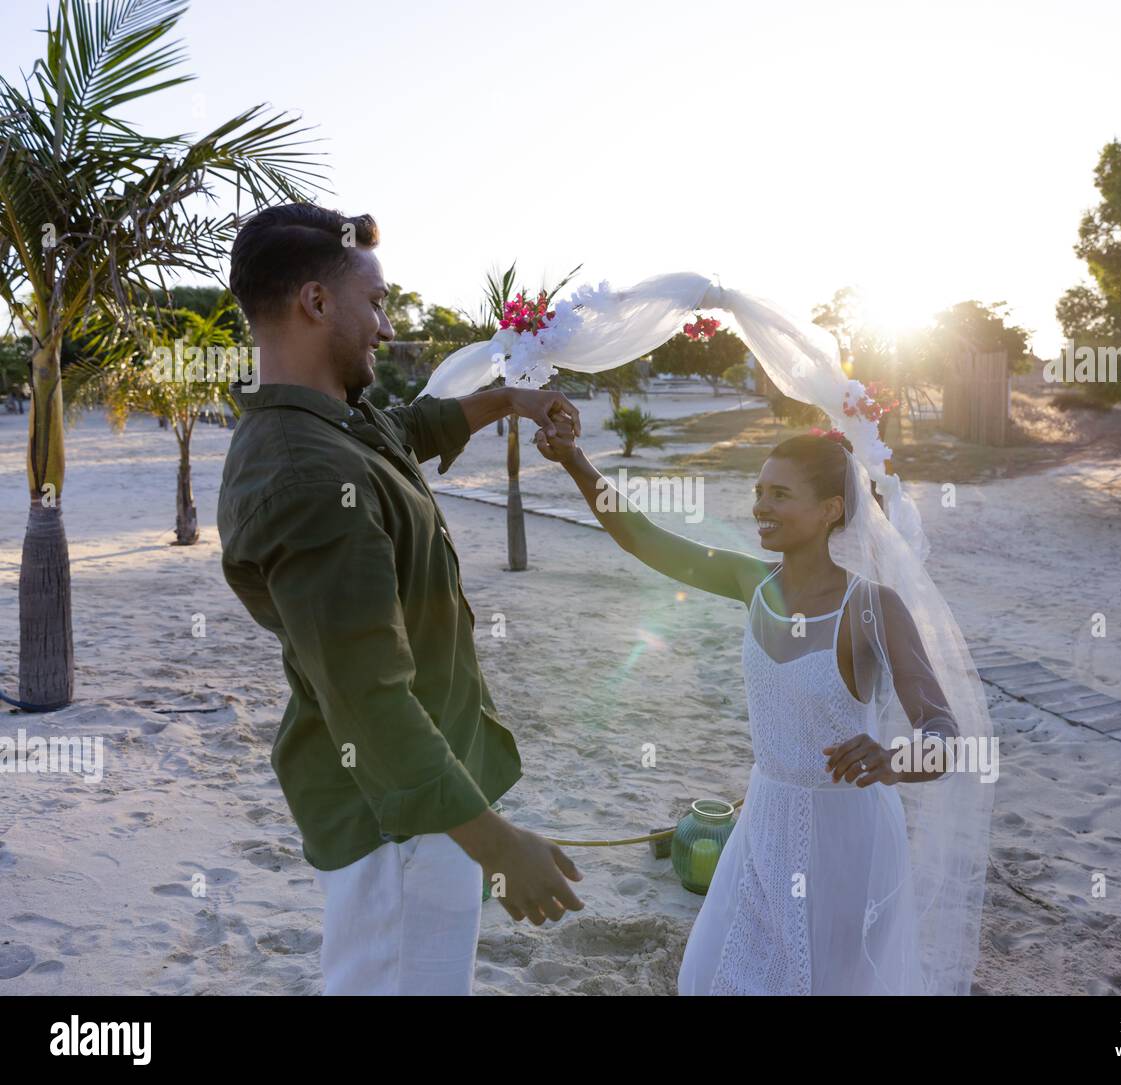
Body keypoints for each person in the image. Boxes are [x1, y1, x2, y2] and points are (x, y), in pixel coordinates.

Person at [217, 203, 585, 995]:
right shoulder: (311, 474)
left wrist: (512, 401)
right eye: (377, 303)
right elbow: (369, 699)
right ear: (317, 303)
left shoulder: (332, 428)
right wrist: (496, 843)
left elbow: (409, 427)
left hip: (420, 801)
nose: (387, 329)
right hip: (402, 825)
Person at [536, 425, 964, 994]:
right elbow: (640, 536)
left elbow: (944, 734)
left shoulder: (872, 608)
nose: (761, 505)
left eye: (780, 495)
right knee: (717, 973)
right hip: (764, 819)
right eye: (759, 490)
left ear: (831, 509)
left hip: (848, 837)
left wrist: (894, 758)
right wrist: (572, 459)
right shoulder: (750, 581)